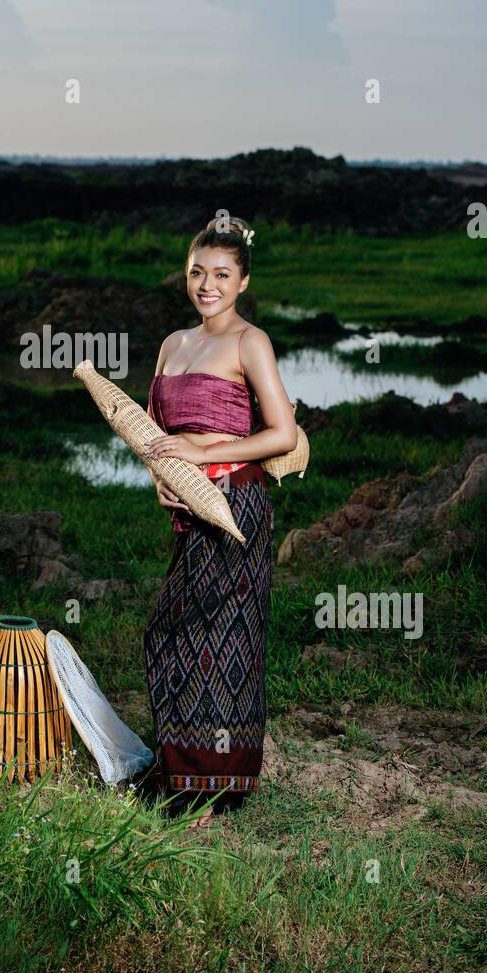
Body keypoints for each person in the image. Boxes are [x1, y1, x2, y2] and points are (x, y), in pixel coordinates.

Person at [141, 214, 297, 817]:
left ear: (243, 281)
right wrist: (161, 481)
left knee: (224, 635)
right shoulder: (172, 345)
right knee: (172, 633)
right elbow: (157, 436)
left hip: (237, 505)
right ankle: (184, 771)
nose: (208, 284)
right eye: (198, 272)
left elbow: (281, 433)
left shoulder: (248, 342)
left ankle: (220, 785)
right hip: (188, 505)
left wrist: (207, 452)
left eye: (222, 274)